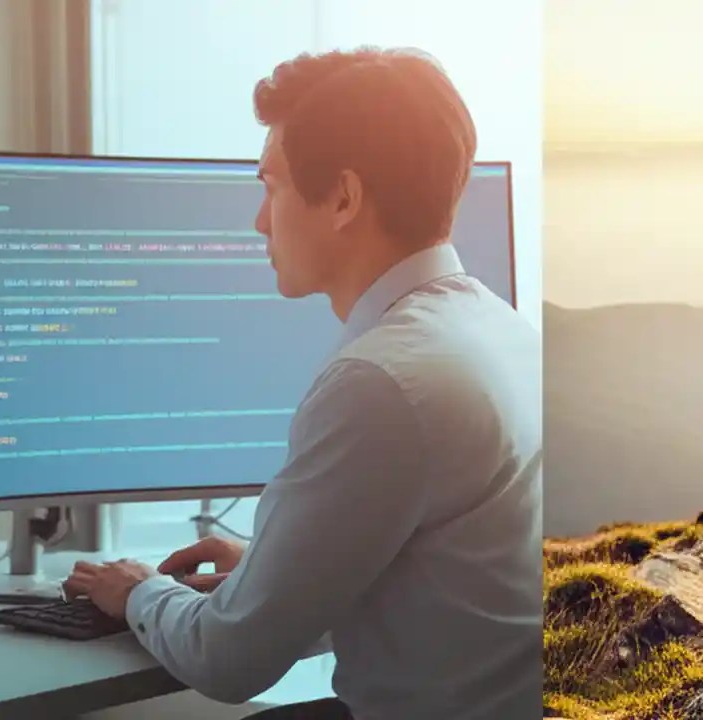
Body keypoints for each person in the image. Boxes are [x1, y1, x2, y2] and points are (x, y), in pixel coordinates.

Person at [62, 46, 542, 720]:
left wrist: (138, 589)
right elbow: (444, 585)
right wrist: (274, 569)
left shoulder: (378, 382)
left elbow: (229, 661)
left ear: (342, 197)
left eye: (271, 186)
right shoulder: (501, 330)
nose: (261, 220)